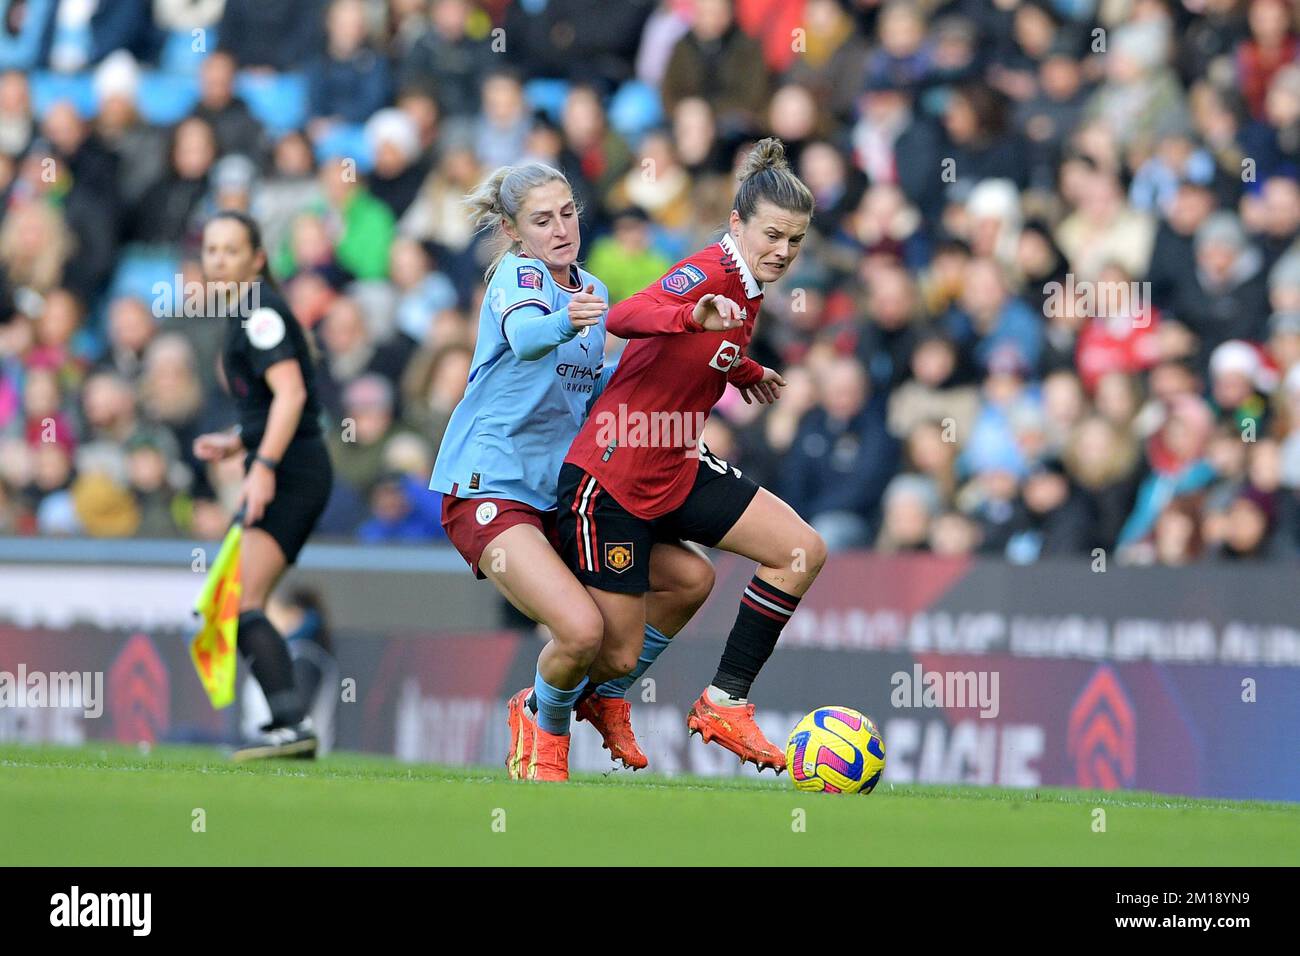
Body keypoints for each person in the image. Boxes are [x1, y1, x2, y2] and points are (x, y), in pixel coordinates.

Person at [429, 163, 717, 782]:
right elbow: (529, 338)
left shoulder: (591, 287)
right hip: (490, 489)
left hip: (560, 494)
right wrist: (571, 319)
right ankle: (544, 728)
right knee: (581, 630)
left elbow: (594, 394)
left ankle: (600, 696)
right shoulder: (518, 275)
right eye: (541, 220)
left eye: (567, 213)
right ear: (512, 229)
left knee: (690, 580)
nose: (560, 229)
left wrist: (681, 368)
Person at [557, 138, 827, 773]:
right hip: (614, 473)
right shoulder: (710, 270)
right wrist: (690, 315)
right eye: (772, 235)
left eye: (795, 240)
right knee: (615, 652)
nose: (783, 251)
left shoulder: (751, 284)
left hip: (675, 463)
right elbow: (623, 317)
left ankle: (724, 701)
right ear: (736, 224)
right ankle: (547, 706)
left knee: (799, 552)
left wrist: (744, 368)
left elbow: (699, 353)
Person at [191, 210, 334, 761]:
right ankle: (287, 724)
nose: (219, 259)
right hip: (289, 465)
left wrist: (264, 466)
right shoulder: (250, 311)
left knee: (240, 600)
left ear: (256, 258)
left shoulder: (259, 315)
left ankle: (291, 725)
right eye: (212, 249)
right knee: (235, 600)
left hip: (291, 474)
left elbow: (292, 395)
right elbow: (273, 403)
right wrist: (237, 442)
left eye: (231, 250)